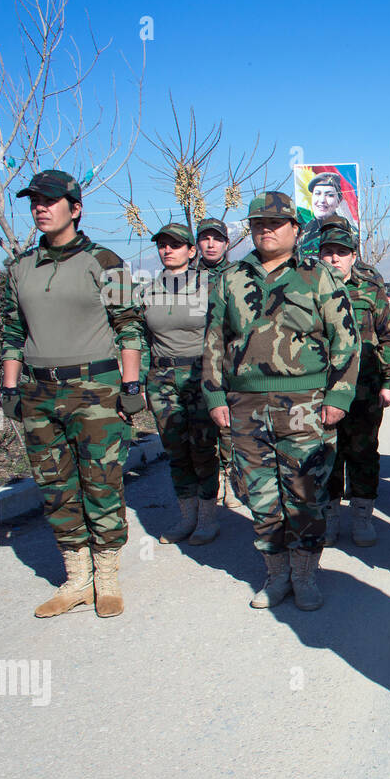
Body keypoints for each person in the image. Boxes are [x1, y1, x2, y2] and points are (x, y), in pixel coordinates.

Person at [203, 191, 359, 611]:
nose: (266, 229)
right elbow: (215, 339)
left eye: (275, 223)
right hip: (245, 405)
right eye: (258, 224)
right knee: (259, 493)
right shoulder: (231, 278)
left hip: (306, 403)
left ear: (295, 228)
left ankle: (306, 575)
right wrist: (215, 393)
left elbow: (346, 340)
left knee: (304, 491)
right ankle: (276, 574)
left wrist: (339, 395)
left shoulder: (318, 276)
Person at [0, 169, 144, 617]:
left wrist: (131, 383)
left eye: (49, 200)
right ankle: (76, 579)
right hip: (39, 390)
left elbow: (129, 325)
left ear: (75, 208)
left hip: (96, 390)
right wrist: (9, 387)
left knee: (101, 482)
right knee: (55, 486)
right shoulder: (20, 267)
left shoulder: (104, 262)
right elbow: (12, 331)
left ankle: (108, 577)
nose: (40, 208)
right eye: (34, 201)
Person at [317, 216, 390, 548]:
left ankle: (363, 516)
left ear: (353, 255)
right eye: (328, 252)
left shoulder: (371, 289)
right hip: (322, 389)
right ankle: (331, 515)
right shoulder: (308, 290)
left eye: (342, 252)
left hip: (364, 389)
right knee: (327, 454)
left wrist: (389, 381)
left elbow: (389, 337)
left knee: (363, 452)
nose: (335, 258)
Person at [139, 222, 221, 545]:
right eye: (162, 244)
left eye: (175, 244)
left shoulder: (210, 287)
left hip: (200, 376)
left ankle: (208, 518)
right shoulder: (146, 291)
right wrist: (141, 384)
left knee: (202, 448)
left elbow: (221, 333)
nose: (168, 250)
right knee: (175, 448)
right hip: (161, 380)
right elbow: (142, 340)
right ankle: (186, 516)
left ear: (191, 251)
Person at [195, 217, 243, 509]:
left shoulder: (237, 275)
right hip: (194, 361)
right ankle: (210, 482)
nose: (211, 244)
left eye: (217, 239)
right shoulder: (186, 278)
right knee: (201, 430)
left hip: (227, 362)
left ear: (227, 243)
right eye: (205, 238)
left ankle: (230, 477)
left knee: (228, 428)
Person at [295, 171, 349, 259]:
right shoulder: (303, 233)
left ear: (339, 200)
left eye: (329, 195)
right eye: (317, 194)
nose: (322, 200)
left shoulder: (348, 231)